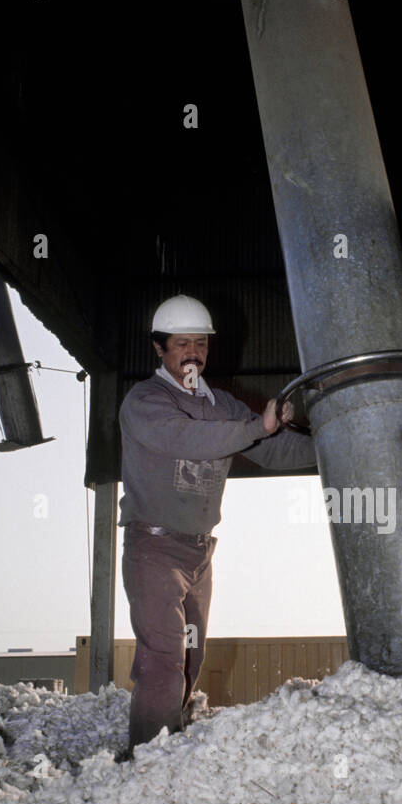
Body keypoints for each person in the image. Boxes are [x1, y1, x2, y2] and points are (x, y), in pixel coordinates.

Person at [117, 294, 315, 757]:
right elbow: (187, 437)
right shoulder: (145, 401)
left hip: (199, 553)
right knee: (164, 658)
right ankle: (146, 760)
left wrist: (336, 443)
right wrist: (255, 428)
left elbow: (275, 451)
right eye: (182, 343)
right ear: (159, 348)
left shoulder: (221, 403)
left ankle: (171, 742)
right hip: (154, 548)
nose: (193, 352)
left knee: (191, 656)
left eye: (201, 343)